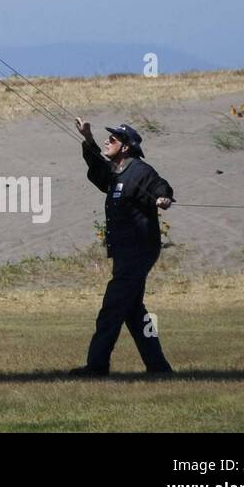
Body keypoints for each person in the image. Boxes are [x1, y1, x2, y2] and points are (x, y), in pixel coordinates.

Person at [70, 119, 175, 377]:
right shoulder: (116, 172)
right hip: (126, 252)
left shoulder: (139, 171)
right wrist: (88, 137)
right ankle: (159, 368)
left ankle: (96, 367)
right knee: (133, 312)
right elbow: (97, 165)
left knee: (112, 308)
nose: (109, 142)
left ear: (126, 147)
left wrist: (163, 198)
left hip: (139, 250)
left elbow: (160, 185)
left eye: (113, 140)